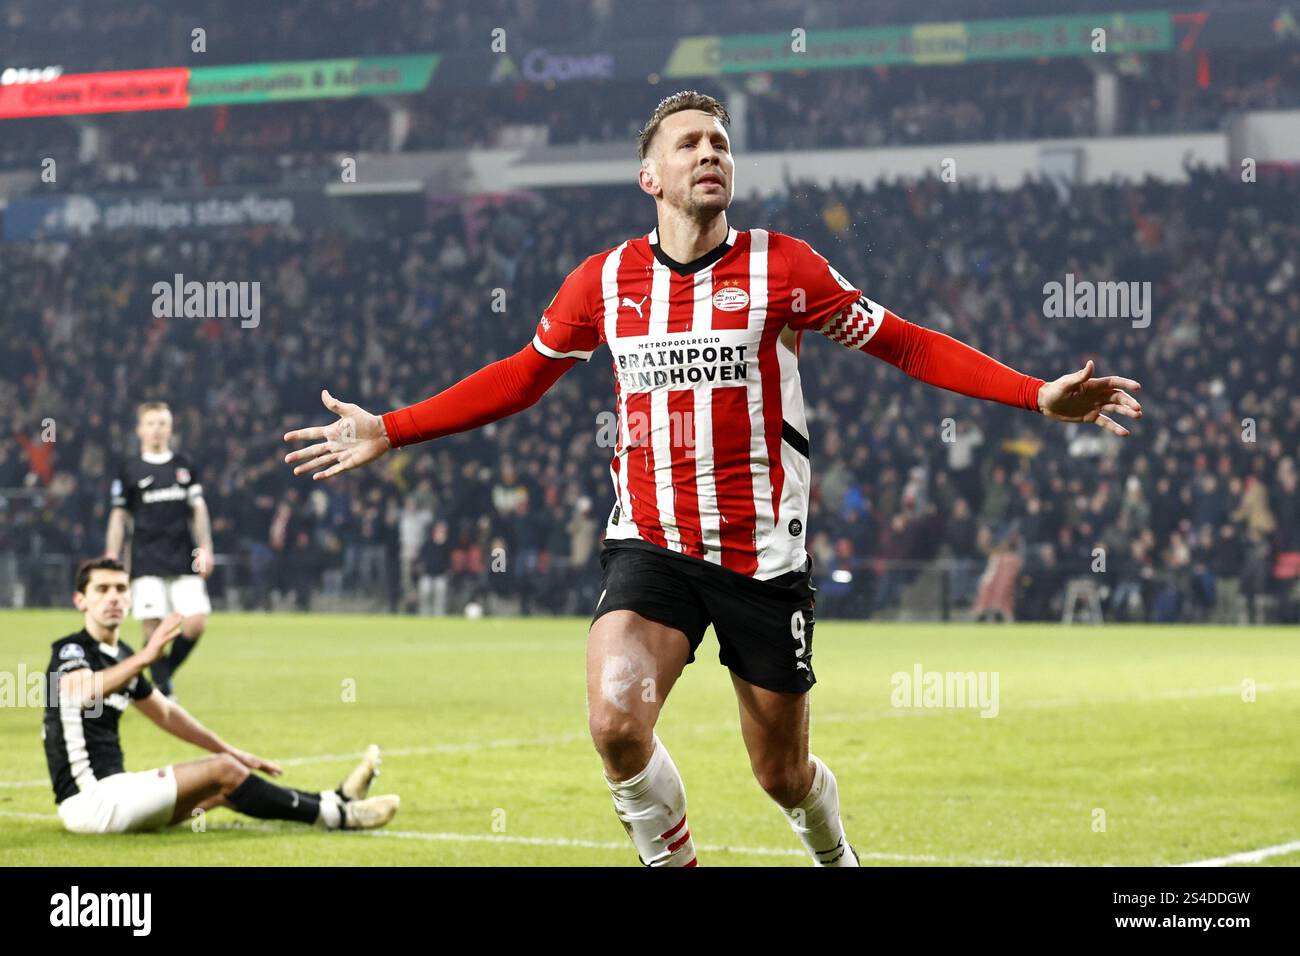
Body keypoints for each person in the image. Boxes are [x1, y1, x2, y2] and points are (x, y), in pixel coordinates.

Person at [283, 91, 1142, 866]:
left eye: (721, 144)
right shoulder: (604, 282)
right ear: (649, 175)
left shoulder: (786, 268)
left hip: (763, 559)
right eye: (690, 143)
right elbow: (520, 376)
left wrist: (1036, 395)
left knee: (782, 776)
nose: (710, 155)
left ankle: (835, 855)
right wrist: (391, 428)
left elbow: (908, 344)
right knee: (617, 722)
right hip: (651, 545)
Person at [44, 557, 399, 834]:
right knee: (223, 772)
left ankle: (332, 800)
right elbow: (79, 689)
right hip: (90, 802)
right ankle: (340, 816)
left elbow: (166, 714)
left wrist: (231, 750)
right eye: (102, 590)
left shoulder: (121, 655)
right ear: (80, 600)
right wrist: (147, 657)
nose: (113, 598)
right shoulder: (72, 651)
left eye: (121, 589)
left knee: (224, 788)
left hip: (117, 795)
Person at [104, 402, 212, 698]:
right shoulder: (130, 469)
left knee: (196, 623)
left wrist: (205, 548)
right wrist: (112, 556)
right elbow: (119, 516)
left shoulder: (184, 465)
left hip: (183, 555)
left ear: (170, 427)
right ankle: (163, 687)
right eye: (151, 423)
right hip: (146, 559)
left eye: (162, 423)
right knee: (154, 633)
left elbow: (198, 509)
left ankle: (161, 674)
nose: (157, 429)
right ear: (139, 429)